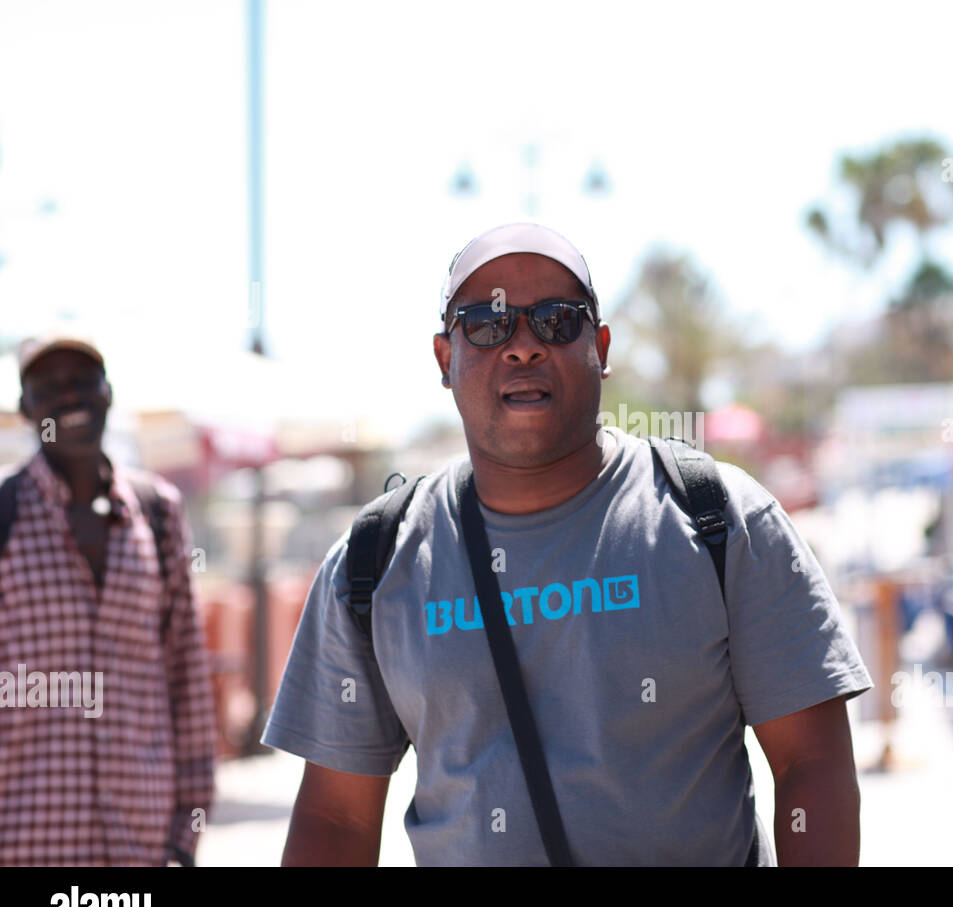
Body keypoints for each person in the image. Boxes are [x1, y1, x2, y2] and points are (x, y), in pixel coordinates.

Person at [264, 223, 872, 866]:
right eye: (487, 324)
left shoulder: (721, 519)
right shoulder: (376, 562)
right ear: (446, 359)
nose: (523, 347)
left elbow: (812, 762)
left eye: (556, 320)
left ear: (600, 346)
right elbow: (334, 815)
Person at [0, 333, 217, 865]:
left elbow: (185, 674)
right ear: (27, 408)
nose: (68, 397)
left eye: (81, 382)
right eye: (48, 388)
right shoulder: (3, 517)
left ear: (108, 394)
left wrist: (184, 835)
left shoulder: (157, 512)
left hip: (139, 845)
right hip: (23, 842)